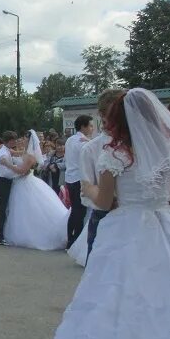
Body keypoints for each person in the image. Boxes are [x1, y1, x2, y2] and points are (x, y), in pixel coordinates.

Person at [18, 88, 170, 339]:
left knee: (121, 303)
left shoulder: (116, 153)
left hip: (129, 228)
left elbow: (104, 201)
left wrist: (87, 185)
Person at [68, 89, 124, 266]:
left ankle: (72, 239)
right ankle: (73, 238)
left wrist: (90, 189)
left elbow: (101, 200)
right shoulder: (150, 146)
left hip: (106, 210)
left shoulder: (93, 147)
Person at [3, 131, 69, 251]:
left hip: (25, 183)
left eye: (25, 139)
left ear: (29, 141)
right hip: (20, 183)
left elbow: (22, 171)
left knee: (30, 209)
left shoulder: (30, 156)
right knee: (22, 211)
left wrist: (7, 164)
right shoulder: (25, 153)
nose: (22, 141)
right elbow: (15, 153)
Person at [0, 131, 32, 246]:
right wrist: (20, 173)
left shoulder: (6, 150)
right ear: (9, 141)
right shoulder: (3, 154)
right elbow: (7, 172)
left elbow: (16, 154)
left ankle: (2, 234)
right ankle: (0, 236)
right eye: (13, 140)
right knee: (3, 208)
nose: (15, 142)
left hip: (4, 180)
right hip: (2, 181)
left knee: (6, 207)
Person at [64, 115, 94, 248]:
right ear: (83, 126)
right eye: (91, 126)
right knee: (79, 211)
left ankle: (70, 238)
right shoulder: (83, 141)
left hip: (70, 177)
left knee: (75, 210)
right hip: (79, 178)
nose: (92, 129)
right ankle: (74, 241)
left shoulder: (70, 140)